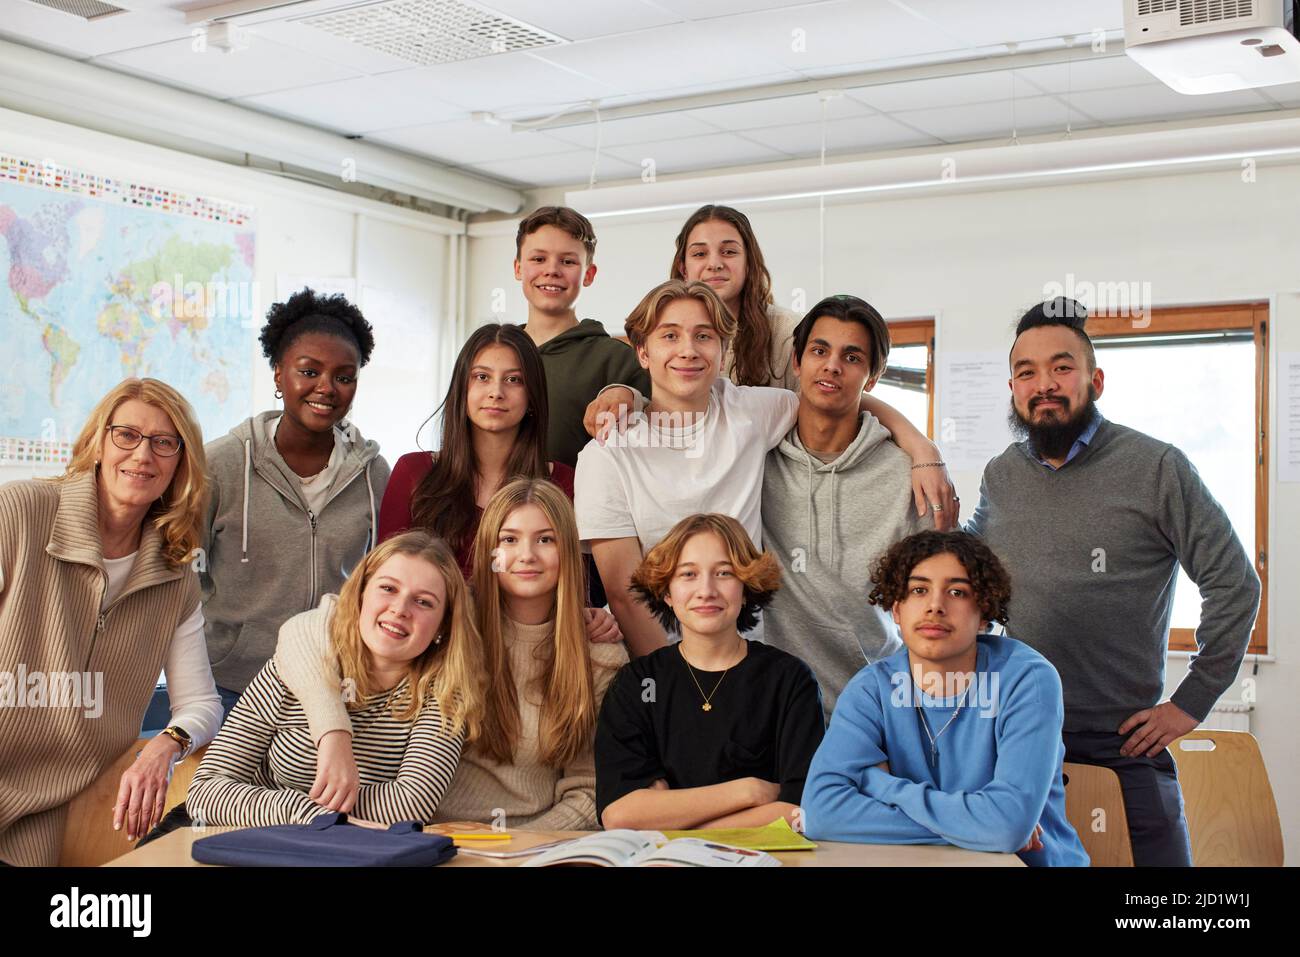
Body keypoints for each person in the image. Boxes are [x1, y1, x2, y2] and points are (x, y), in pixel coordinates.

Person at [964, 298, 1260, 866]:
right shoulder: (1002, 474)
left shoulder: (1156, 467)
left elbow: (1234, 584)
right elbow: (970, 571)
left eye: (1061, 367)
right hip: (1014, 738)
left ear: (1095, 380)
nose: (1044, 384)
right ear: (1012, 387)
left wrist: (1191, 702)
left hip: (1124, 744)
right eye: (1026, 372)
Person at [576, 279, 955, 657]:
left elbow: (830, 396)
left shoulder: (750, 412)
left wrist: (923, 448)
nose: (688, 350)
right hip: (655, 660)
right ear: (642, 353)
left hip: (747, 659)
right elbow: (625, 596)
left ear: (723, 353)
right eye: (669, 336)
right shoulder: (607, 451)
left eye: (704, 336)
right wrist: (673, 685)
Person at [278, 480, 626, 829]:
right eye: (509, 539)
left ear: (568, 550)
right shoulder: (446, 622)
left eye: (545, 539)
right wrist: (334, 733)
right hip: (419, 830)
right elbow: (307, 629)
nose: (527, 555)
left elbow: (588, 791)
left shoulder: (597, 656)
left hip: (529, 844)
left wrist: (514, 848)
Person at [0, 378, 222, 865]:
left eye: (164, 443)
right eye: (127, 435)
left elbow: (202, 703)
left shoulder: (175, 575)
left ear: (180, 464)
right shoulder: (19, 511)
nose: (143, 455)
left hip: (49, 809)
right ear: (99, 443)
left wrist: (166, 745)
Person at [801, 531, 1089, 867]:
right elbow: (822, 812)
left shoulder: (1027, 679)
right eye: (919, 590)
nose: (935, 605)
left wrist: (879, 785)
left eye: (957, 592)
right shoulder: (871, 688)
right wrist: (984, 827)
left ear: (984, 612)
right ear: (896, 608)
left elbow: (1006, 827)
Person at [184, 531, 480, 827]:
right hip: (260, 844)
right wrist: (301, 810)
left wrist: (318, 813)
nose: (400, 610)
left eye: (424, 602)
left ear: (443, 625)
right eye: (388, 588)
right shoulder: (296, 666)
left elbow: (409, 807)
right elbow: (205, 792)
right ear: (360, 594)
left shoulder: (443, 695)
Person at [200, 288, 390, 713]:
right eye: (309, 371)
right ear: (277, 373)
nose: (327, 388)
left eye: (344, 376)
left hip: (328, 683)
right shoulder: (221, 464)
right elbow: (182, 579)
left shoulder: (373, 472)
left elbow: (378, 580)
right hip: (230, 684)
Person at [595, 514, 824, 830]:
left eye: (724, 573)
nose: (706, 590)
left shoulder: (789, 680)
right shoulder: (637, 683)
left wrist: (673, 820)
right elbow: (619, 815)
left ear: (746, 589)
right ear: (667, 592)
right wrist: (750, 791)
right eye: (688, 574)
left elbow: (798, 810)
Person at [763, 295, 931, 718]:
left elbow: (935, 600)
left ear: (872, 378)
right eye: (820, 351)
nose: (832, 366)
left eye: (851, 357)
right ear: (797, 362)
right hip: (772, 711)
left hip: (877, 710)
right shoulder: (754, 455)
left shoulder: (909, 477)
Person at [377, 322, 573, 578]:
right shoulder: (414, 472)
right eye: (482, 377)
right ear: (462, 388)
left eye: (514, 380)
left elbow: (575, 586)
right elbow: (384, 577)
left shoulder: (563, 482)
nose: (496, 392)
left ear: (532, 395)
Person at [514, 206, 651, 469]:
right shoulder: (490, 355)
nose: (552, 270)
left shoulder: (619, 362)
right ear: (519, 268)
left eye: (568, 261)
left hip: (576, 508)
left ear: (588, 274)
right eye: (538, 259)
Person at [669, 203, 801, 390]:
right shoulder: (661, 333)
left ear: (748, 263)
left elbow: (815, 410)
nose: (714, 264)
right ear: (684, 269)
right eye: (700, 254)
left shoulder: (788, 331)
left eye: (729, 252)